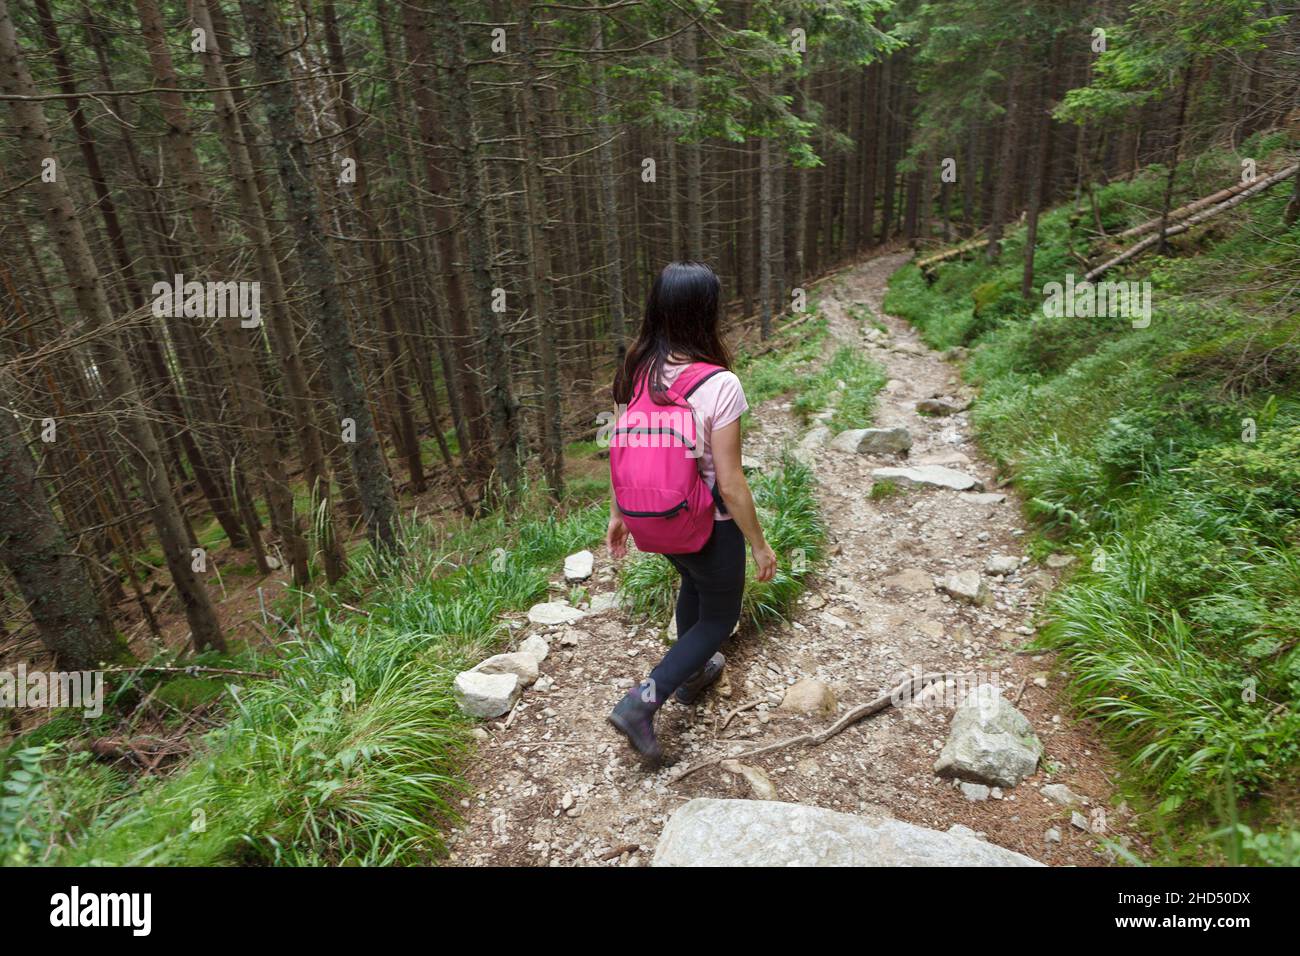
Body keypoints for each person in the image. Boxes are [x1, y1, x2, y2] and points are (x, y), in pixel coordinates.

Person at [604, 261, 777, 764]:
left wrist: (618, 513)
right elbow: (730, 481)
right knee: (719, 617)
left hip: (650, 519)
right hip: (707, 524)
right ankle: (642, 703)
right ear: (707, 312)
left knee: (694, 584)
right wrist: (759, 544)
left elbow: (620, 447)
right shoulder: (720, 384)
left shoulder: (634, 371)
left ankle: (693, 672)